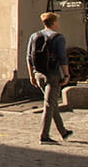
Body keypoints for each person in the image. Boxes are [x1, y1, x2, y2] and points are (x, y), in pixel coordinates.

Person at [27, 12, 73, 145]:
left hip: (38, 74)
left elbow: (29, 57)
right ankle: (44, 136)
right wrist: (66, 74)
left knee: (51, 102)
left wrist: (31, 75)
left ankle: (63, 131)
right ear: (53, 23)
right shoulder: (58, 38)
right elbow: (62, 58)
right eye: (57, 22)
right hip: (52, 74)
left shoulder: (34, 36)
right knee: (49, 104)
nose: (58, 24)